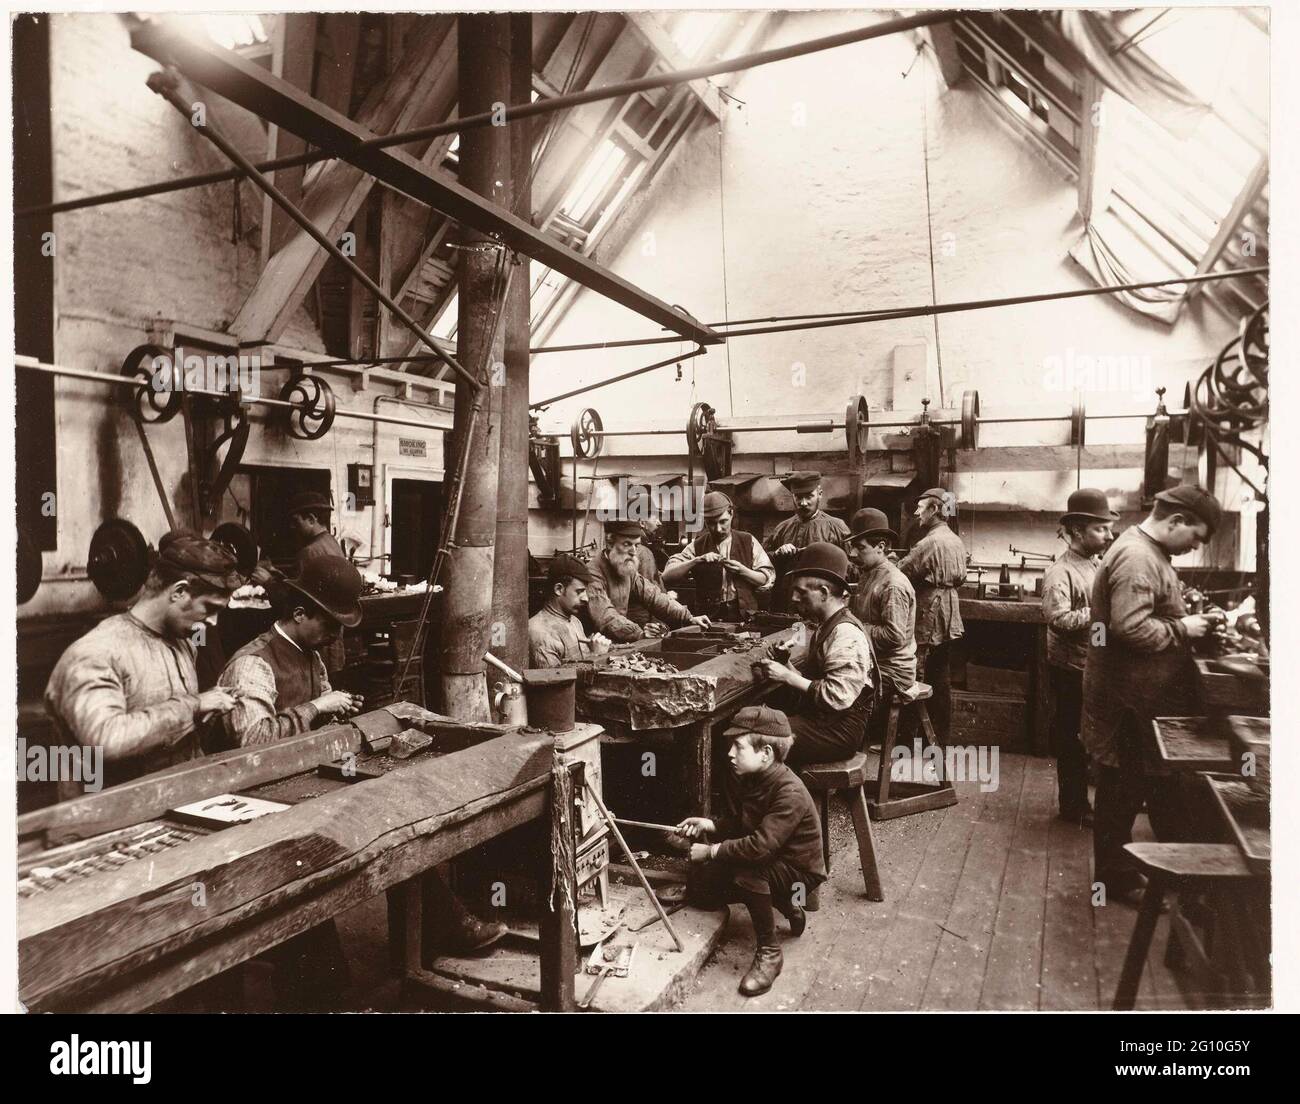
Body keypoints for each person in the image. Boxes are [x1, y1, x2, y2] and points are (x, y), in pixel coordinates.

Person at [1082, 484, 1222, 907]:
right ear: (1175, 521)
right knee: (1120, 792)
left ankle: (1146, 870)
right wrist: (1186, 628)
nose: (1194, 546)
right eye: (1194, 537)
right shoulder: (1140, 557)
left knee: (1130, 788)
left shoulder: (1148, 551)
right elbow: (1131, 627)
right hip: (1130, 701)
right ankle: (1115, 881)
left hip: (1137, 697)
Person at [45, 531, 244, 791]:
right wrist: (194, 705)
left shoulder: (183, 644)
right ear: (179, 592)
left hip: (177, 800)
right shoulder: (95, 653)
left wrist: (207, 711)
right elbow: (106, 739)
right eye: (210, 608)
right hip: (110, 819)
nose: (213, 621)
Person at [676, 705, 826, 998]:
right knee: (701, 890)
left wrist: (711, 851)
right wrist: (709, 824)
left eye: (739, 746)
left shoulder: (789, 791)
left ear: (766, 753)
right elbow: (742, 823)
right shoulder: (756, 777)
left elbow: (758, 847)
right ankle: (784, 903)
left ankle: (770, 951)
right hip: (773, 859)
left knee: (747, 874)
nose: (730, 753)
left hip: (799, 873)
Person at [218, 556, 368, 746]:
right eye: (330, 625)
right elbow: (254, 740)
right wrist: (316, 707)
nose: (336, 636)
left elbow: (316, 719)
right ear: (299, 614)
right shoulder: (253, 664)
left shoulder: (311, 654)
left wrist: (335, 708)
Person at [754, 542, 875, 767]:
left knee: (752, 739)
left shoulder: (846, 633)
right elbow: (819, 682)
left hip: (838, 732)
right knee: (751, 721)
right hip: (825, 720)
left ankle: (780, 798)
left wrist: (786, 676)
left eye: (801, 592)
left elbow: (836, 697)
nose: (794, 599)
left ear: (824, 593)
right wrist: (787, 665)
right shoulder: (827, 625)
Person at [1041, 488, 1116, 827]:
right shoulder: (1061, 572)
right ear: (1076, 531)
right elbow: (1057, 620)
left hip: (1092, 665)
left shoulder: (1095, 563)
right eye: (1100, 528)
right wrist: (1099, 612)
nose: (1109, 534)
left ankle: (1088, 800)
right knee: (1072, 739)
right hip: (1070, 669)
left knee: (1090, 736)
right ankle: (1072, 806)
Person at [895, 487, 966, 745]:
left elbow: (901, 572)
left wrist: (890, 561)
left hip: (929, 613)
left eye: (921, 507)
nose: (916, 512)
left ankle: (905, 742)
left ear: (935, 510)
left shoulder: (929, 542)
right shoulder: (955, 539)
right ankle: (938, 742)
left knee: (917, 676)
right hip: (948, 612)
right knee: (940, 677)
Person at [844, 507, 917, 747]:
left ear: (881, 546)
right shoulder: (869, 573)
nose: (853, 553)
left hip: (892, 670)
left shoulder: (892, 583)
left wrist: (853, 628)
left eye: (860, 547)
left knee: (842, 697)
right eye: (852, 546)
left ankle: (848, 758)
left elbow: (894, 636)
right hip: (875, 662)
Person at [585, 519, 711, 641]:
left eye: (636, 545)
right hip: (596, 644)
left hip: (618, 640)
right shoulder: (592, 573)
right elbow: (605, 616)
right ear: (610, 543)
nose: (633, 552)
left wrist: (689, 617)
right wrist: (638, 633)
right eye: (627, 544)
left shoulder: (625, 569)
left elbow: (653, 596)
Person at [662, 490, 775, 620]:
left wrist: (742, 570)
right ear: (704, 521)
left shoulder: (748, 541)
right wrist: (696, 560)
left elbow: (766, 579)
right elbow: (667, 576)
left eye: (723, 522)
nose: (718, 529)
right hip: (708, 618)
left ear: (731, 514)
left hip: (745, 616)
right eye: (711, 523)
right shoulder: (696, 546)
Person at [286, 490, 349, 676]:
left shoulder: (309, 552)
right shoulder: (331, 542)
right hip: (331, 633)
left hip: (316, 635)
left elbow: (296, 600)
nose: (292, 527)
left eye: (296, 521)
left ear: (312, 519)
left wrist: (268, 582)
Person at [527, 555, 610, 668]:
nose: (586, 598)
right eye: (579, 592)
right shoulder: (541, 634)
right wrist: (597, 656)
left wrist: (592, 649)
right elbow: (555, 682)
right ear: (559, 589)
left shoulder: (574, 621)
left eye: (585, 591)